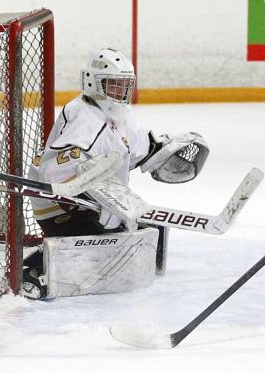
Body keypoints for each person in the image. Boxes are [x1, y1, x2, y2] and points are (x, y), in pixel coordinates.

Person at [21, 48, 209, 300]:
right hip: (62, 207)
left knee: (142, 231)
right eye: (113, 85)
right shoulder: (84, 118)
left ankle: (107, 231)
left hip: (94, 200)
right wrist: (93, 187)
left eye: (124, 86)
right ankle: (34, 268)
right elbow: (54, 174)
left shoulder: (119, 114)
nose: (121, 93)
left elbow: (139, 148)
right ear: (92, 82)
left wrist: (163, 151)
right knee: (109, 246)